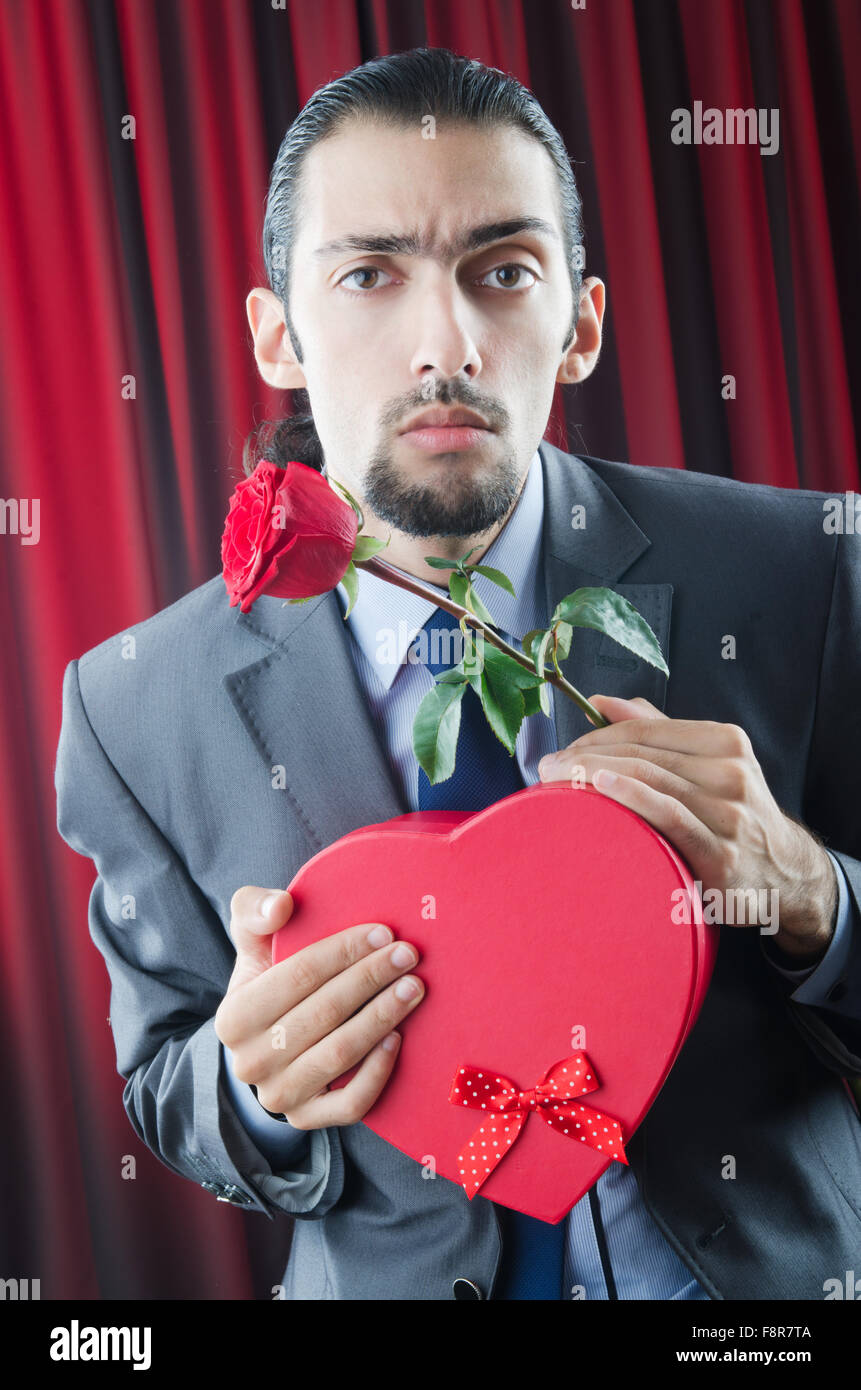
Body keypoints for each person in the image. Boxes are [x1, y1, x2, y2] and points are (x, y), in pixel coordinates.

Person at [55, 48, 861, 1301]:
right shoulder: (127, 707)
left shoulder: (803, 574)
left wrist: (814, 895)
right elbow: (167, 1085)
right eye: (371, 274)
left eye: (504, 272)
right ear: (278, 334)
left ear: (581, 322)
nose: (448, 344)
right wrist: (255, 1084)